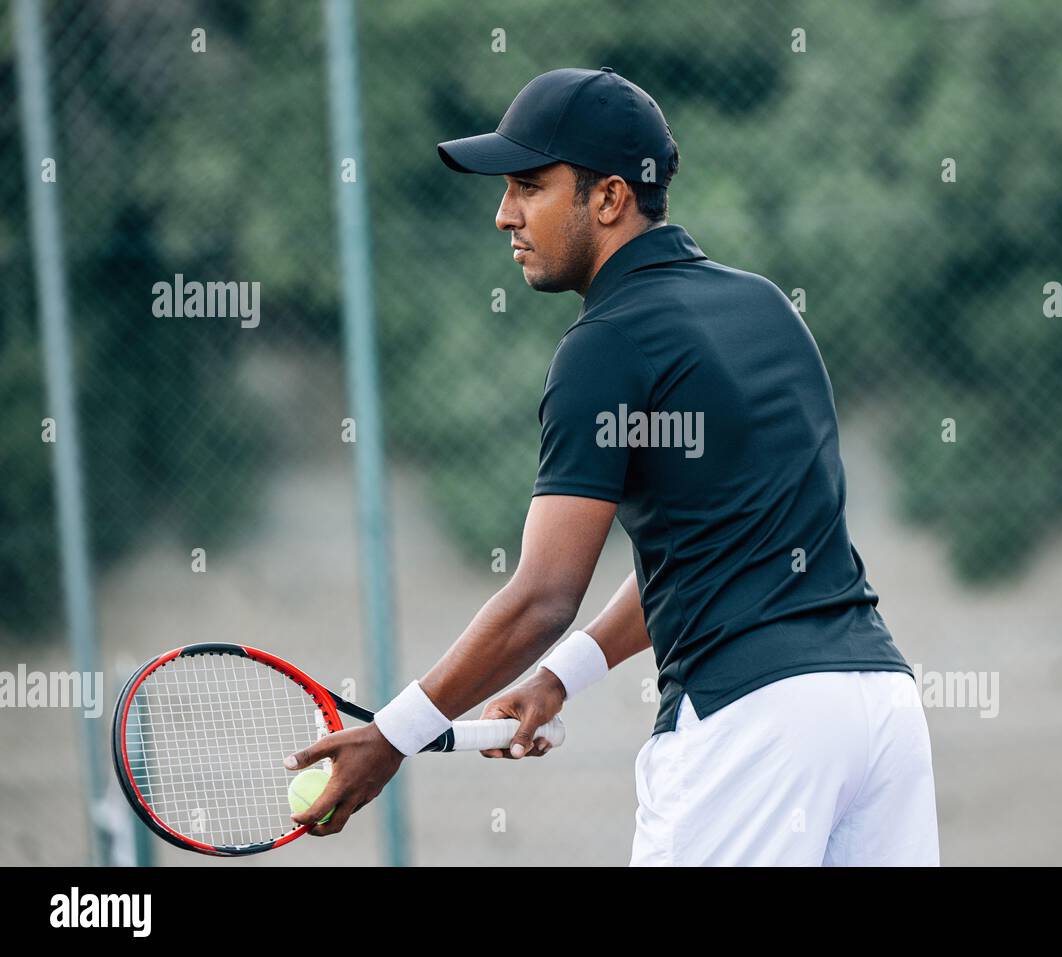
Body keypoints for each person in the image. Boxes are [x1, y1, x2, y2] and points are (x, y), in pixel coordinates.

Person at [285, 67, 940, 866]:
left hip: (751, 728)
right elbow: (710, 548)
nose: (504, 214)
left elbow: (543, 596)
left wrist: (391, 737)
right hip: (881, 711)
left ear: (609, 199)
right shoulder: (768, 306)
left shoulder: (602, 346)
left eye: (529, 186)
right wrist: (561, 676)